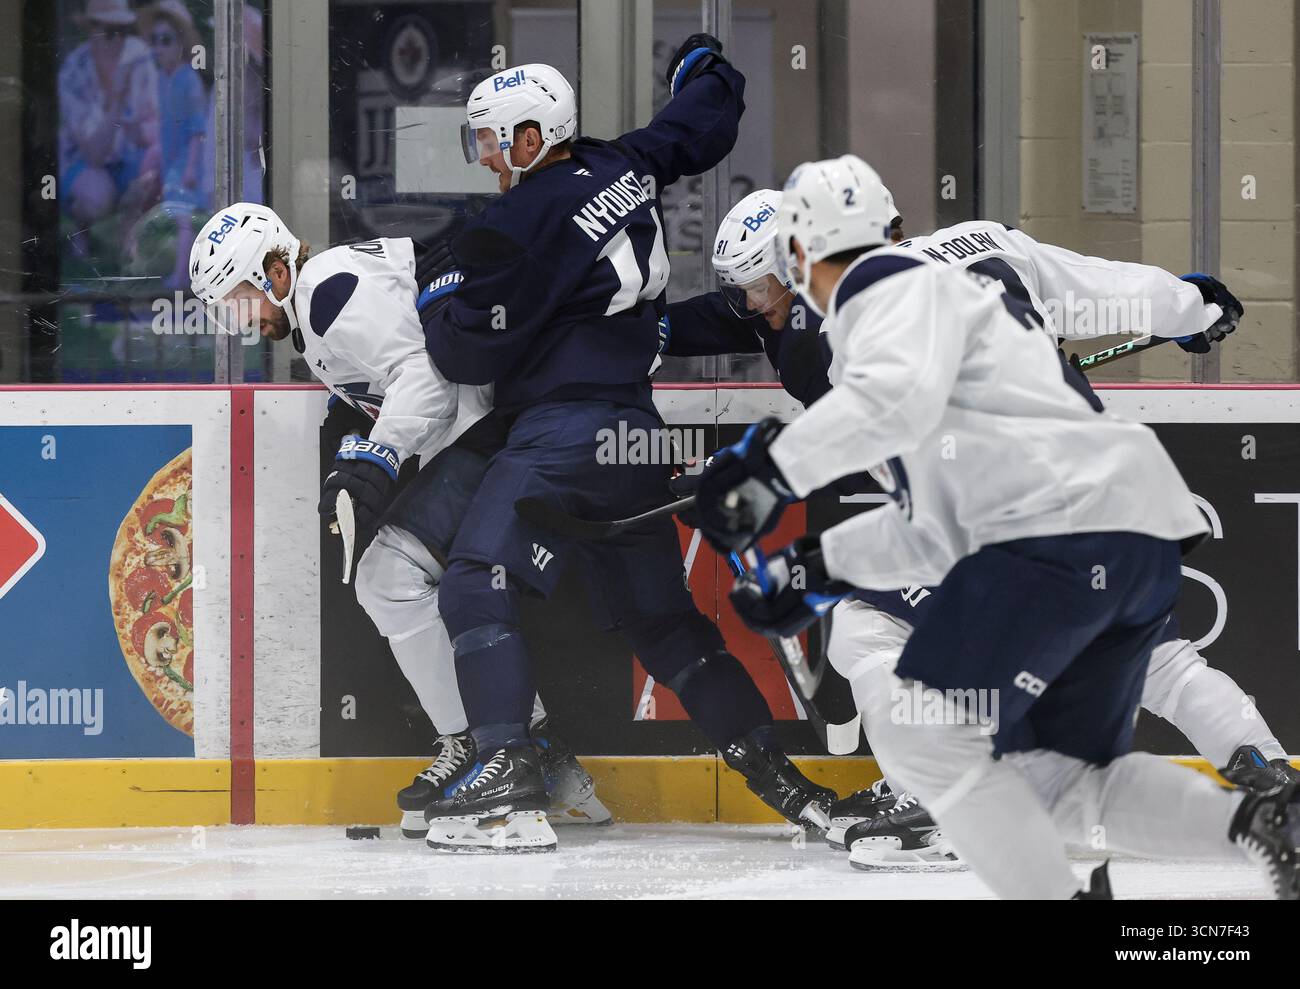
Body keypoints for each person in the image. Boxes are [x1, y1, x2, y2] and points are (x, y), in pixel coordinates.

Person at [691, 154, 1300, 899]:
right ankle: (1268, 795)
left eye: (770, 284)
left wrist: (793, 522)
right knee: (1138, 683)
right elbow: (1101, 288)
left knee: (868, 636)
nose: (762, 307)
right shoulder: (980, 241)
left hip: (1036, 535)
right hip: (1134, 512)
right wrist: (1192, 307)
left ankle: (933, 799)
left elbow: (931, 507)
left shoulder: (844, 338)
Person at [418, 43, 836, 853]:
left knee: (473, 584)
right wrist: (703, 63)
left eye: (496, 141)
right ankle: (786, 782)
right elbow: (708, 116)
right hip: (634, 439)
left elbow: (467, 354)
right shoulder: (629, 161)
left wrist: (439, 296)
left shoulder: (520, 219)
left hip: (563, 436)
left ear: (536, 138)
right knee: (666, 625)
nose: (490, 160)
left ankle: (507, 772)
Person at [187, 203, 609, 840]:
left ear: (275, 269)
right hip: (486, 433)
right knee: (419, 586)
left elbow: (428, 378)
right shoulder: (318, 298)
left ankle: (491, 752)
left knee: (388, 579)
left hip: (493, 433)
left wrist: (379, 458)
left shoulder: (326, 291)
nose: (239, 320)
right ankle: (536, 758)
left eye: (239, 299)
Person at [59, 0, 160, 249]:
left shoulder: (141, 57)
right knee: (96, 195)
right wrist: (117, 100)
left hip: (130, 158)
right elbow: (93, 153)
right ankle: (80, 226)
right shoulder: (72, 71)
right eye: (109, 32)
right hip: (85, 164)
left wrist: (142, 135)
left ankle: (131, 237)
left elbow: (157, 124)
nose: (118, 40)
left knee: (155, 172)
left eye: (123, 30)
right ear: (90, 29)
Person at [140, 1, 208, 289]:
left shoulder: (188, 81)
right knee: (180, 218)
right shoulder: (162, 79)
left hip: (186, 162)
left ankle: (183, 273)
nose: (160, 48)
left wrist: (190, 168)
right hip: (171, 161)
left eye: (166, 40)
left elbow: (196, 131)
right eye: (155, 41)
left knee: (183, 219)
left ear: (181, 42)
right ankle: (182, 270)